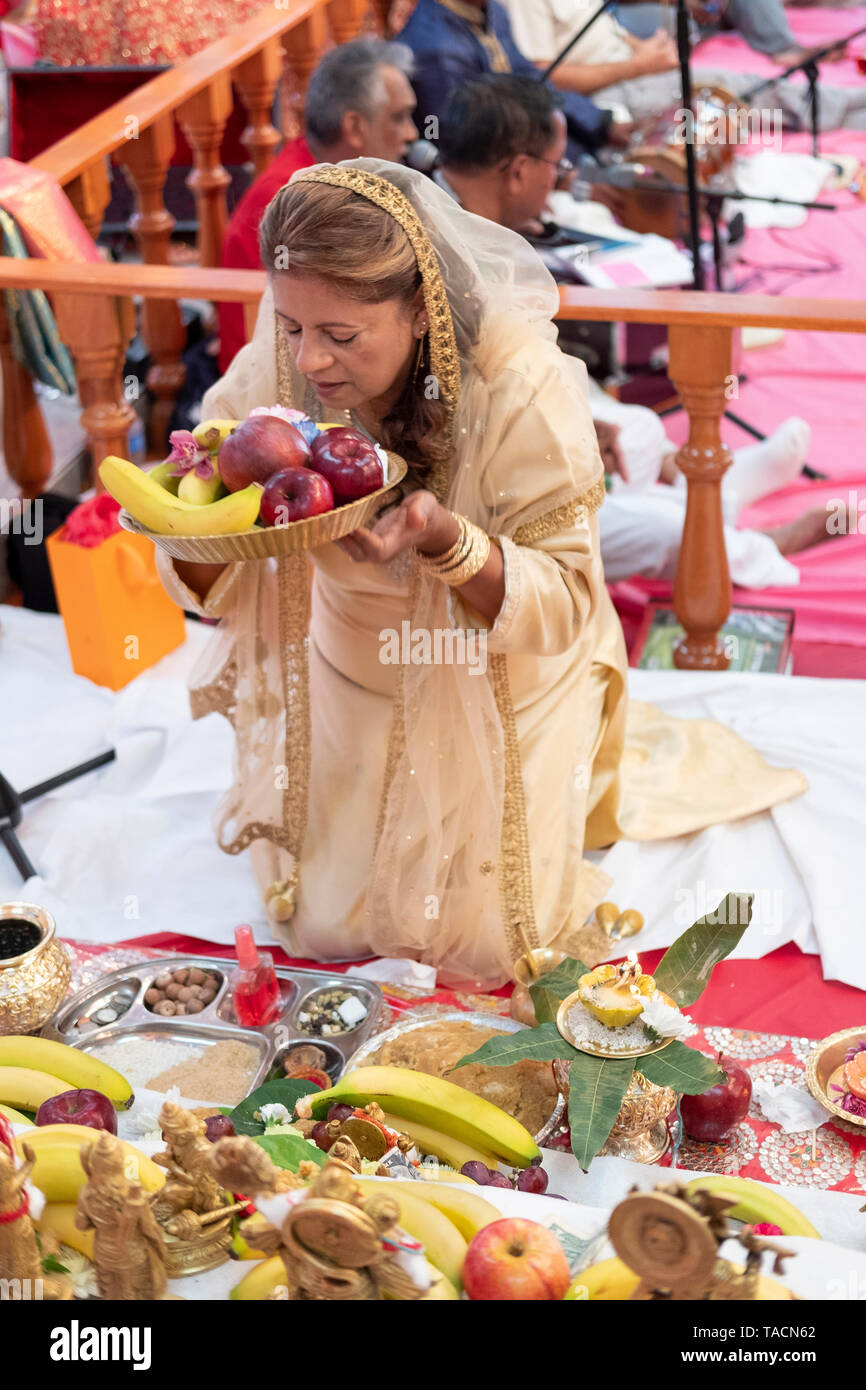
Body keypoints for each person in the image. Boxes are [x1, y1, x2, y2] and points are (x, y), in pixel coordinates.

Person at [156, 159, 805, 985]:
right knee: (324, 929)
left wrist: (446, 544)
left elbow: (567, 601)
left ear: (422, 312)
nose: (309, 362)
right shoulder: (279, 374)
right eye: (290, 327)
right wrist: (186, 522)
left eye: (342, 336)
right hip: (347, 679)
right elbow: (206, 552)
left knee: (486, 949)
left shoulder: (520, 390)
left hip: (498, 685)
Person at [436, 74, 829, 587]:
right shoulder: (444, 262)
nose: (558, 181)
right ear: (516, 172)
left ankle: (714, 489)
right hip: (482, 491)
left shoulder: (466, 215)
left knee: (628, 422)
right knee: (658, 517)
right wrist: (563, 439)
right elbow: (460, 422)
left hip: (520, 432)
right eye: (555, 167)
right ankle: (753, 542)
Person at [219, 38, 419, 372]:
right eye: (399, 118)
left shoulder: (329, 178)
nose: (412, 133)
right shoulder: (295, 199)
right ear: (354, 126)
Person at [498, 0, 866, 130]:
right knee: (729, 87)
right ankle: (842, 105)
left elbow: (603, 25)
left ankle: (845, 107)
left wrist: (644, 49)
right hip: (610, 89)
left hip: (634, 63)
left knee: (734, 88)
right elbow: (543, 76)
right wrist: (640, 66)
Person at [396, 0, 631, 161]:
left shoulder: (492, 13)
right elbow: (448, 140)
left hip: (523, 151)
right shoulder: (436, 45)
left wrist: (601, 123)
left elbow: (531, 82)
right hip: (486, 167)